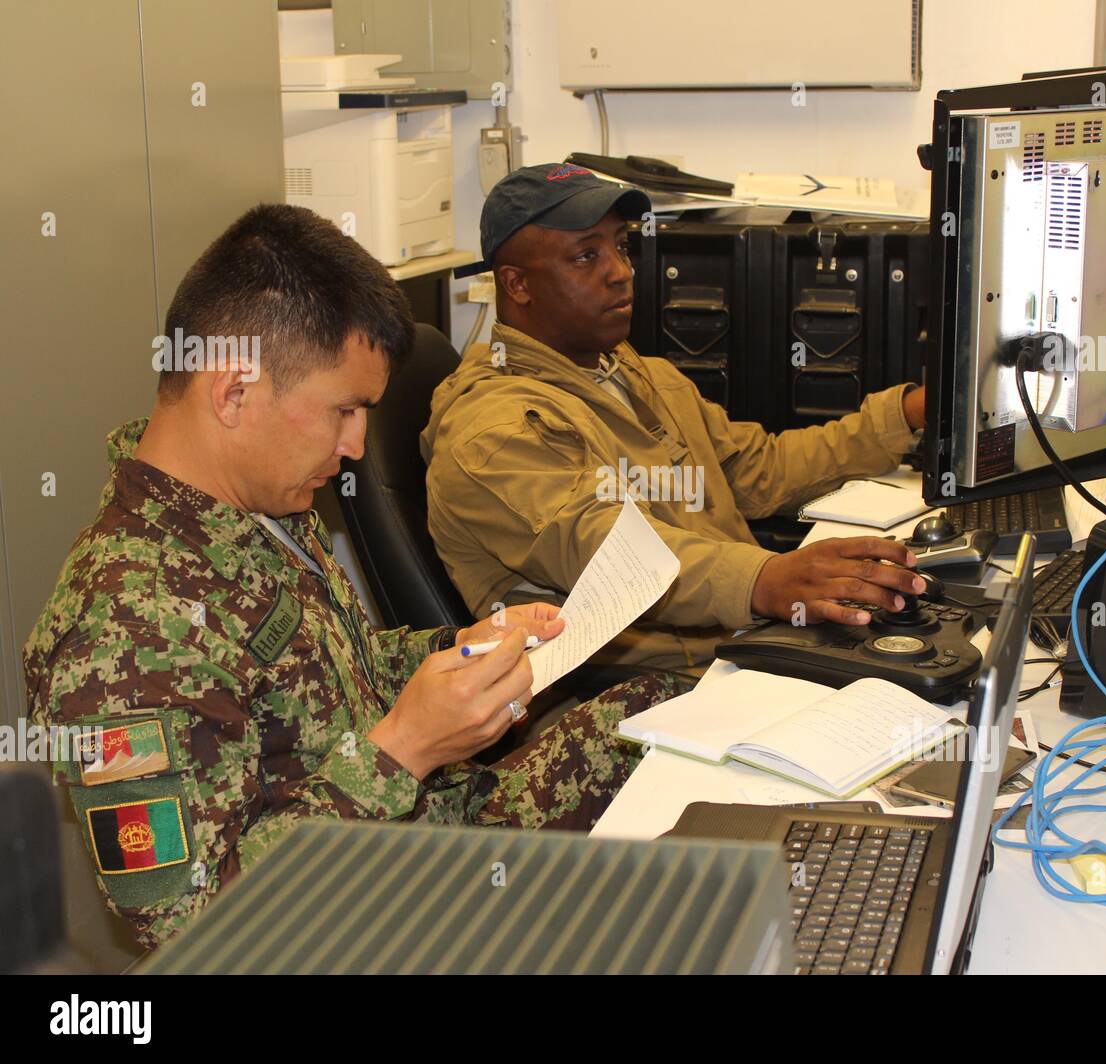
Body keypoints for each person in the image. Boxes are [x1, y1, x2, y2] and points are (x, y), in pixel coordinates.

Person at [23, 204, 688, 951]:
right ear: (234, 392)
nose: (355, 445)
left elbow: (337, 674)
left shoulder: (260, 505)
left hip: (432, 840)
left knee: (670, 721)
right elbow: (193, 932)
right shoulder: (117, 628)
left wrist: (465, 648)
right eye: (344, 409)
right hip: (366, 926)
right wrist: (406, 748)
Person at [421, 163, 927, 674]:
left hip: (735, 643)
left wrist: (904, 416)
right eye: (585, 256)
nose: (620, 270)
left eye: (621, 246)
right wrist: (766, 580)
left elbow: (760, 471)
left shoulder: (633, 373)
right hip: (637, 691)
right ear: (517, 285)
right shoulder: (493, 432)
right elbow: (613, 556)